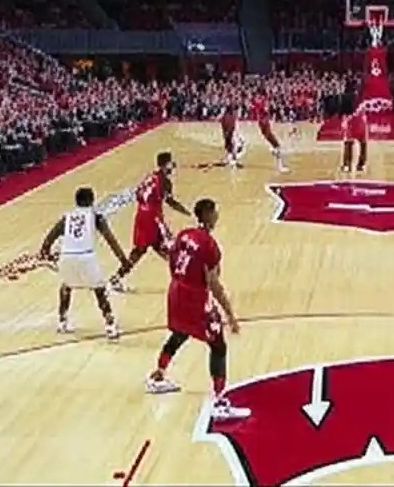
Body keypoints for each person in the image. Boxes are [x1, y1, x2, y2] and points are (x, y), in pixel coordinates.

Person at [145, 198, 250, 422]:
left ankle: (158, 376)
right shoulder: (209, 245)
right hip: (195, 297)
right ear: (209, 215)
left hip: (176, 291)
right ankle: (220, 400)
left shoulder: (184, 234)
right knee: (218, 346)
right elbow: (214, 283)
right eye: (215, 211)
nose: (217, 215)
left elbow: (170, 256)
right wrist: (230, 315)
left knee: (180, 333)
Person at [39, 186, 129, 339]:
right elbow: (110, 239)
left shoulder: (67, 217)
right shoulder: (95, 216)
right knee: (99, 290)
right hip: (86, 256)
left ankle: (62, 321)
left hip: (66, 256)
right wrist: (122, 259)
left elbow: (50, 237)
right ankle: (110, 326)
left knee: (66, 287)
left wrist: (45, 251)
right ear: (91, 201)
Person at [111, 151, 190, 293]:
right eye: (171, 163)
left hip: (141, 215)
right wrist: (186, 211)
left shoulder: (149, 177)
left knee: (140, 250)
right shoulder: (165, 182)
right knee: (169, 248)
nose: (173, 166)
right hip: (153, 218)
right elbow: (170, 201)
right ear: (165, 165)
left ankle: (116, 279)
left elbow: (137, 195)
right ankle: (184, 280)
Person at [250, 94, 288, 173]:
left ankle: (279, 164)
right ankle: (280, 167)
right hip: (268, 133)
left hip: (267, 132)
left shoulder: (261, 117)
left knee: (277, 147)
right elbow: (266, 132)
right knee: (278, 147)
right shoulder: (263, 119)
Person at [340, 104, 368, 173]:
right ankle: (361, 165)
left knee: (348, 145)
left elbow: (344, 125)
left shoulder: (348, 117)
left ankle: (347, 165)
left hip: (352, 124)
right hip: (359, 124)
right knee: (363, 144)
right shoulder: (361, 114)